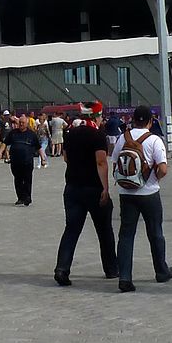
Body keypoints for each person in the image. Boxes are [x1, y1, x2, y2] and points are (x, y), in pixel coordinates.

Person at [111, 105, 172, 293]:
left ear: (132, 119)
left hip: (126, 193)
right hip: (149, 193)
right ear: (150, 121)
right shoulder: (154, 140)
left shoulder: (123, 137)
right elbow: (162, 168)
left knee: (126, 234)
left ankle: (124, 277)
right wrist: (152, 178)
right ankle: (161, 270)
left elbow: (115, 161)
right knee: (155, 232)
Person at [53, 114, 116, 285]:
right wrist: (105, 188)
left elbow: (65, 157)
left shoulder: (71, 133)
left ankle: (62, 269)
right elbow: (101, 161)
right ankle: (111, 269)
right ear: (95, 117)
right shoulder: (97, 135)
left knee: (71, 230)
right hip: (93, 187)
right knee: (104, 230)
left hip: (72, 187)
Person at [0, 117, 40, 206]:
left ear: (27, 123)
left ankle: (27, 198)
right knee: (18, 180)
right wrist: (0, 151)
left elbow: (38, 147)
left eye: (23, 123)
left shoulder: (32, 134)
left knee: (27, 180)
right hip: (15, 161)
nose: (21, 124)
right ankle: (20, 198)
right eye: (20, 122)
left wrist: (43, 158)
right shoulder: (13, 133)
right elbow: (5, 143)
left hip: (27, 162)